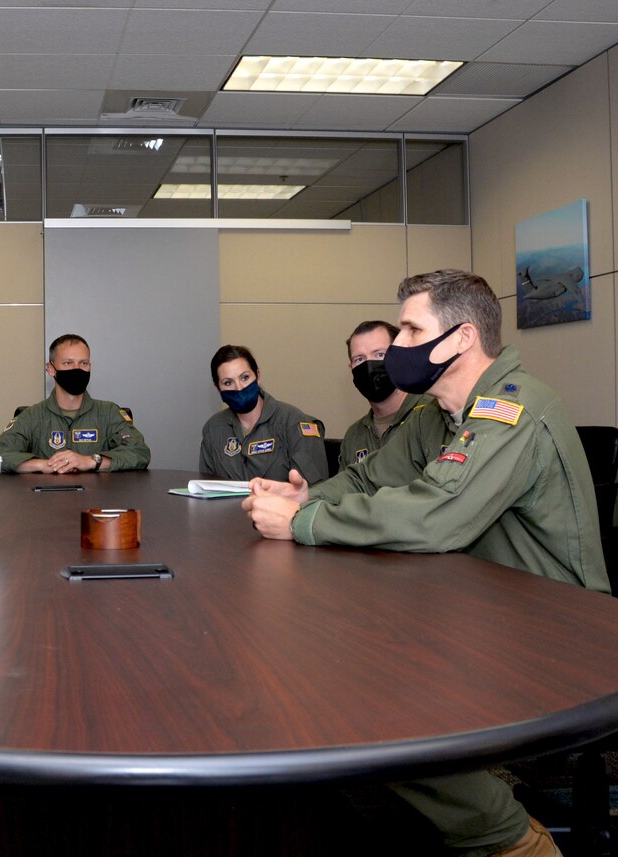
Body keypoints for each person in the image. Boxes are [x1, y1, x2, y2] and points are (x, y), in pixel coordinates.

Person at [243, 269, 608, 857]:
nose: (398, 348)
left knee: (371, 702)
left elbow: (438, 513)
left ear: (461, 338)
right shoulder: (433, 415)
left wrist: (304, 525)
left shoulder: (512, 411)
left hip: (557, 633)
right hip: (479, 605)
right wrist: (305, 497)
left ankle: (511, 840)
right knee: (333, 660)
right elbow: (368, 476)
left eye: (412, 329)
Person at [0, 333, 150, 473]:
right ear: (51, 369)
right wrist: (43, 465)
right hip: (46, 500)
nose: (77, 369)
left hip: (97, 499)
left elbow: (139, 451)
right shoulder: (32, 416)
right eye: (68, 363)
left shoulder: (108, 413)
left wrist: (91, 461)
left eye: (83, 363)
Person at [199, 344, 328, 483]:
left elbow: (317, 493)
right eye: (228, 382)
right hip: (229, 506)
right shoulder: (213, 430)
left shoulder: (294, 423)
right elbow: (207, 491)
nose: (239, 388)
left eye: (245, 377)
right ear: (218, 388)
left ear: (258, 376)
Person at [339, 319, 430, 470]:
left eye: (380, 354)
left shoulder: (431, 416)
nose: (369, 366)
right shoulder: (354, 436)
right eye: (359, 359)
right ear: (351, 368)